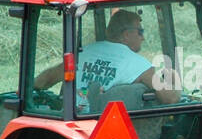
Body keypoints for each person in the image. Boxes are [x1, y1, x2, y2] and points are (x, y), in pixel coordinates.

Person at [34, 9, 179, 110]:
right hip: (107, 127)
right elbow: (170, 99)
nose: (143, 37)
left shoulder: (83, 53)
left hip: (76, 122)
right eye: (140, 32)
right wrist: (174, 80)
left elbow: (45, 80)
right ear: (127, 34)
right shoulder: (140, 66)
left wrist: (23, 92)